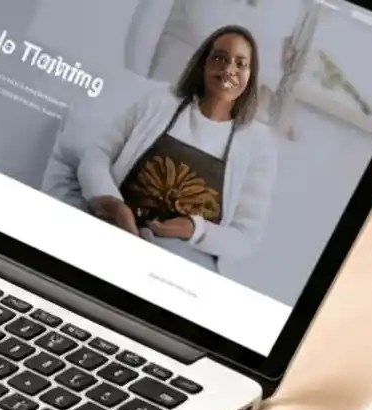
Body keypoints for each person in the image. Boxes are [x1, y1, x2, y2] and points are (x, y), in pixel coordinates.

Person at [77, 25, 278, 274]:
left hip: (178, 273)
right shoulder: (158, 102)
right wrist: (113, 205)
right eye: (219, 58)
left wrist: (192, 229)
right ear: (203, 63)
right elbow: (96, 156)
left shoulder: (258, 145)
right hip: (111, 241)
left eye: (240, 63)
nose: (229, 70)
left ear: (251, 75)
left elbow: (245, 238)